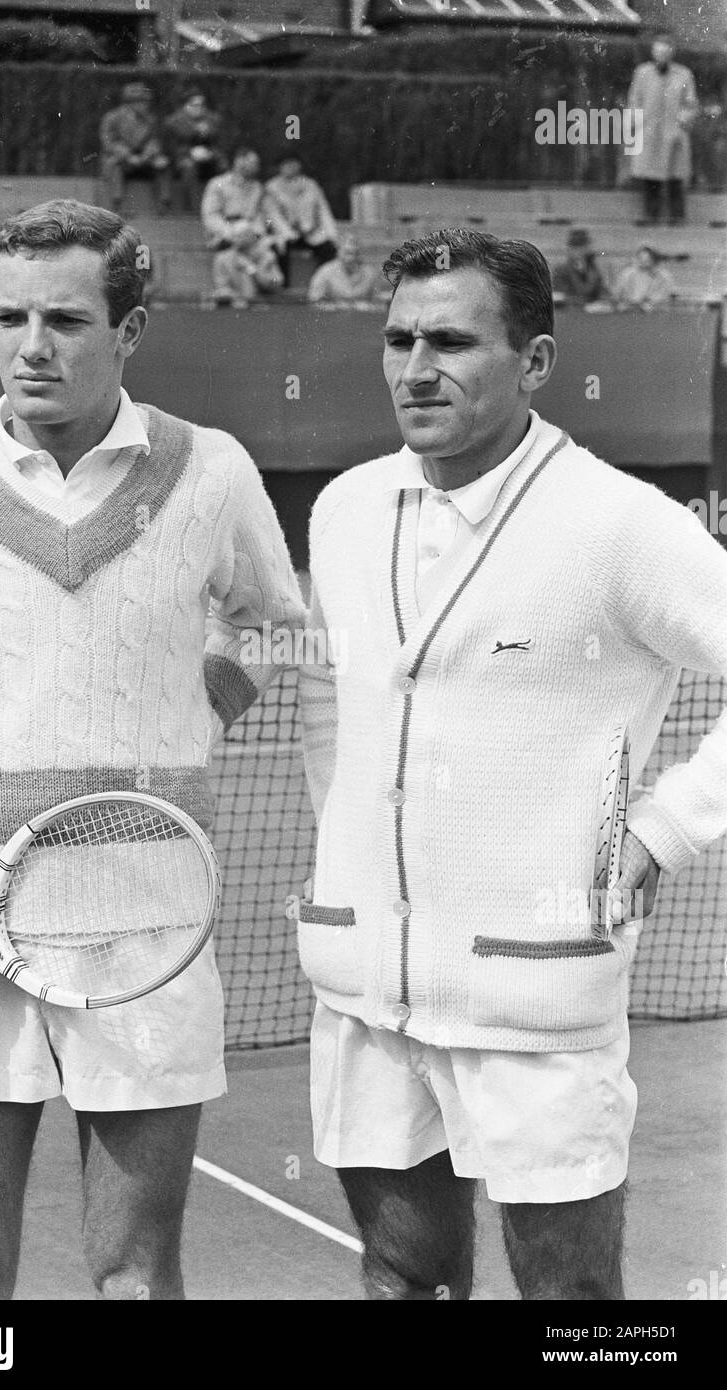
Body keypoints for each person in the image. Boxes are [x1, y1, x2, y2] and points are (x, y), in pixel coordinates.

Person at [0, 198, 306, 1300]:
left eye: (64, 318)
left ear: (131, 330)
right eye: (9, 317)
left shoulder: (212, 472)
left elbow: (271, 620)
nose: (30, 346)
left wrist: (183, 727)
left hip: (148, 929)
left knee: (135, 1272)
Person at [298, 227, 727, 1300]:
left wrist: (661, 829)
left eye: (450, 341)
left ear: (535, 362)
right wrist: (349, 866)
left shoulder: (618, 522)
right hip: (362, 992)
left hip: (535, 997)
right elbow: (325, 697)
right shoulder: (344, 509)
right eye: (397, 339)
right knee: (401, 1280)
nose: (414, 368)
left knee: (572, 1310)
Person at [627, 32, 698, 225]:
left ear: (672, 53)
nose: (662, 55)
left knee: (675, 178)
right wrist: (636, 125)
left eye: (665, 51)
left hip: (673, 134)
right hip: (649, 133)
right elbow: (634, 101)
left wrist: (682, 122)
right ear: (653, 52)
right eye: (658, 51)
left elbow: (690, 105)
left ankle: (677, 219)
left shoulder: (683, 74)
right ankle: (651, 217)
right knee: (650, 179)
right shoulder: (642, 73)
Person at [201, 148, 292, 265]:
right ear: (239, 162)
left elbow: (271, 214)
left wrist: (285, 233)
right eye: (253, 163)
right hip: (225, 233)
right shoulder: (217, 184)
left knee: (277, 246)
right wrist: (230, 232)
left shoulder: (258, 188)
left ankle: (279, 283)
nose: (257, 167)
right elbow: (211, 216)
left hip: (252, 234)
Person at [265, 154, 338, 286]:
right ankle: (283, 288)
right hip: (285, 234)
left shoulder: (311, 185)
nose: (290, 167)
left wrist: (332, 234)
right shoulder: (272, 187)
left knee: (329, 248)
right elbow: (273, 215)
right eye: (286, 164)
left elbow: (323, 210)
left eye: (293, 163)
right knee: (277, 249)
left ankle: (320, 286)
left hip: (310, 233)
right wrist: (289, 233)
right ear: (280, 167)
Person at [99, 82, 172, 214]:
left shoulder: (150, 119)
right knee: (116, 168)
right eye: (143, 102)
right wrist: (129, 156)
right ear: (131, 103)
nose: (146, 105)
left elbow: (155, 141)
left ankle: (164, 204)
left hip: (144, 159)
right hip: (122, 159)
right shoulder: (112, 118)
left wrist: (146, 156)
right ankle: (117, 205)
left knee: (163, 165)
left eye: (146, 102)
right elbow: (109, 142)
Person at [164, 89, 225, 214]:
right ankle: (194, 209)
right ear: (186, 106)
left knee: (223, 165)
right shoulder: (173, 122)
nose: (200, 108)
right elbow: (171, 148)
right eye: (195, 105)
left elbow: (219, 144)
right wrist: (191, 152)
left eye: (202, 105)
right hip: (183, 158)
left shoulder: (212, 120)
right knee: (189, 167)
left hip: (208, 157)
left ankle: (223, 206)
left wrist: (209, 153)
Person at [210, 223, 284, 308]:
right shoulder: (222, 258)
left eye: (240, 236)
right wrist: (238, 298)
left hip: (262, 307)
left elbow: (276, 283)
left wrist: (254, 271)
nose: (235, 239)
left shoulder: (267, 256)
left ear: (251, 236)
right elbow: (221, 286)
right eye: (234, 236)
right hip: (234, 308)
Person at [307, 235, 384, 309]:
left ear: (360, 255)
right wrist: (335, 307)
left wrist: (368, 306)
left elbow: (379, 304)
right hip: (332, 319)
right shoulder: (324, 272)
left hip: (361, 318)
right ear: (338, 252)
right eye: (347, 252)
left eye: (355, 253)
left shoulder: (370, 273)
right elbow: (313, 302)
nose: (351, 258)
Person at [551, 228, 609, 308]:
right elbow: (561, 297)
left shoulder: (592, 269)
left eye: (583, 247)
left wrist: (605, 300)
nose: (579, 251)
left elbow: (601, 290)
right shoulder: (561, 270)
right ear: (569, 250)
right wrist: (586, 304)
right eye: (576, 248)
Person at [612, 244, 677, 311]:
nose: (643, 262)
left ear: (654, 260)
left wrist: (650, 303)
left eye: (648, 259)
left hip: (654, 311)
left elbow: (666, 296)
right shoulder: (627, 273)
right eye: (640, 258)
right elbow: (617, 294)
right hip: (628, 310)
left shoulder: (664, 276)